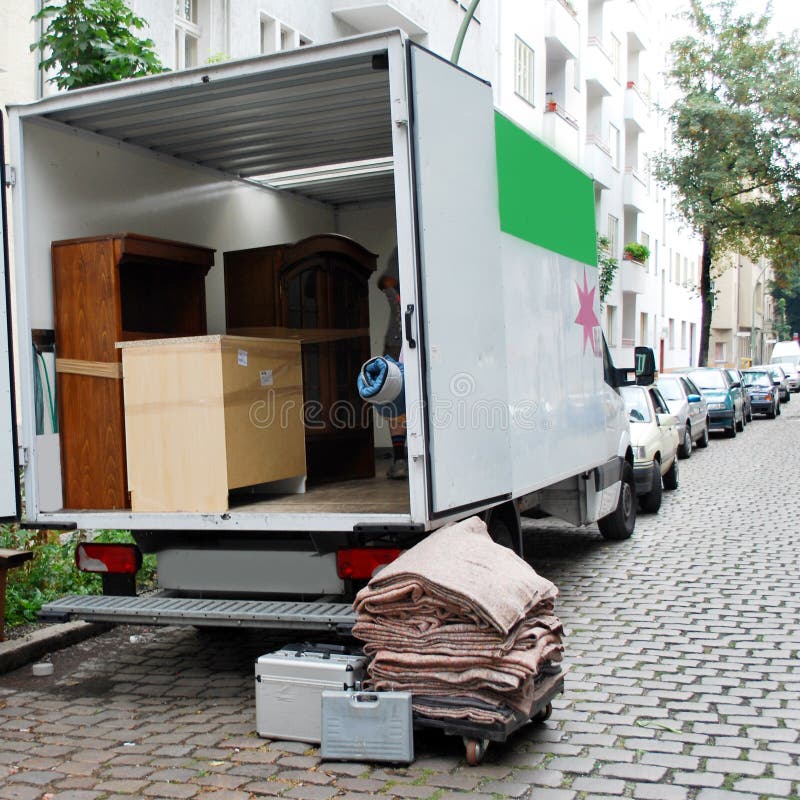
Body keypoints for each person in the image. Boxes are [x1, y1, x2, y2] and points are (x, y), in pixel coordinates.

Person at [377, 248, 407, 479]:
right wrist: (395, 290)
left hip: (423, 341)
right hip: (397, 343)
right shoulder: (402, 250)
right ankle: (400, 459)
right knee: (394, 400)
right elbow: (385, 281)